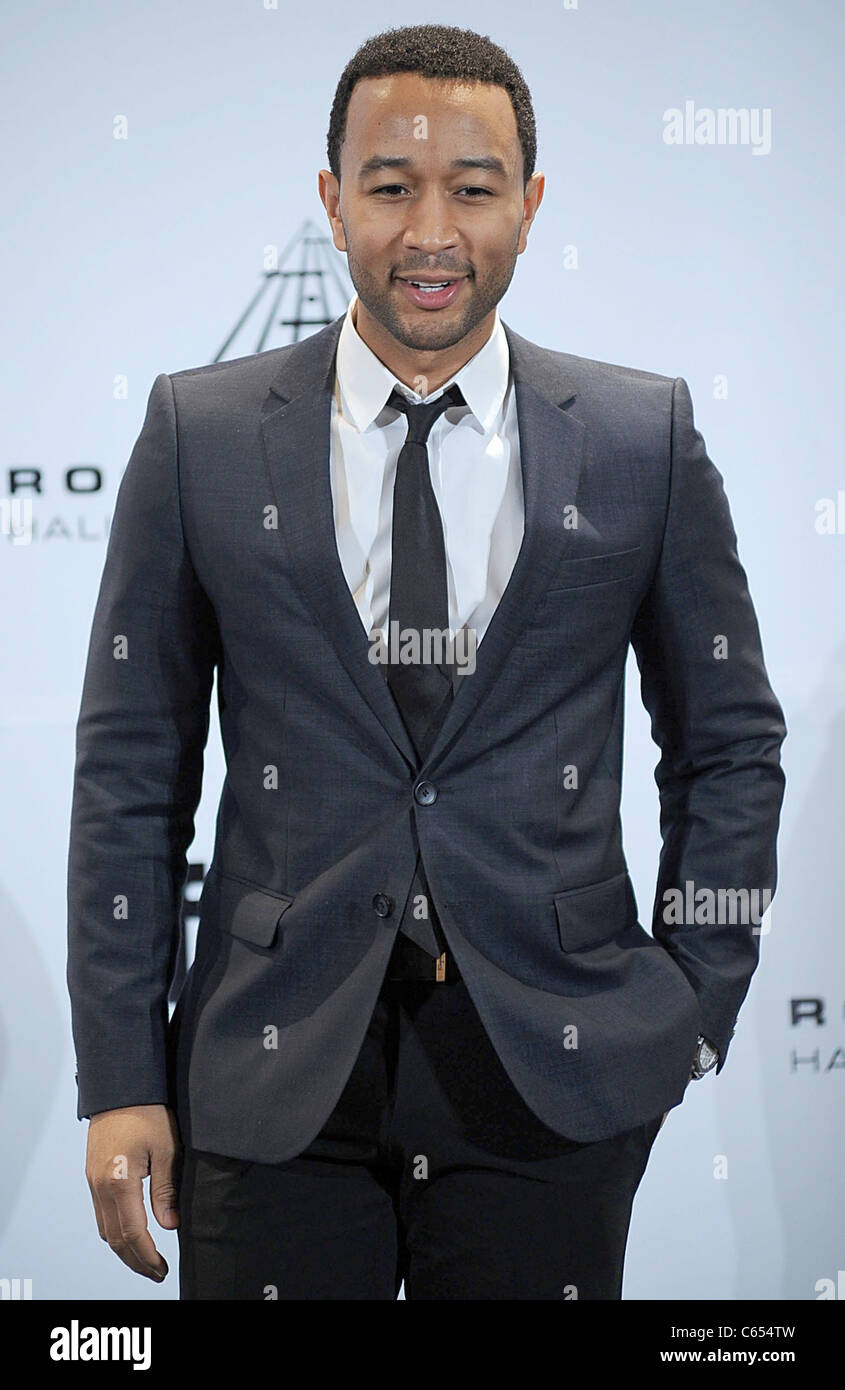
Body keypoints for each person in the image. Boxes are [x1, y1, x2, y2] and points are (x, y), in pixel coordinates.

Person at [67, 24, 786, 1300]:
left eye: (473, 186)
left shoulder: (638, 437)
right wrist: (122, 1075)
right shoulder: (202, 433)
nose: (431, 231)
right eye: (391, 186)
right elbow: (131, 773)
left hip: (549, 1071)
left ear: (530, 203)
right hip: (271, 1070)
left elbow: (727, 745)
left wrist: (686, 1009)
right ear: (334, 200)